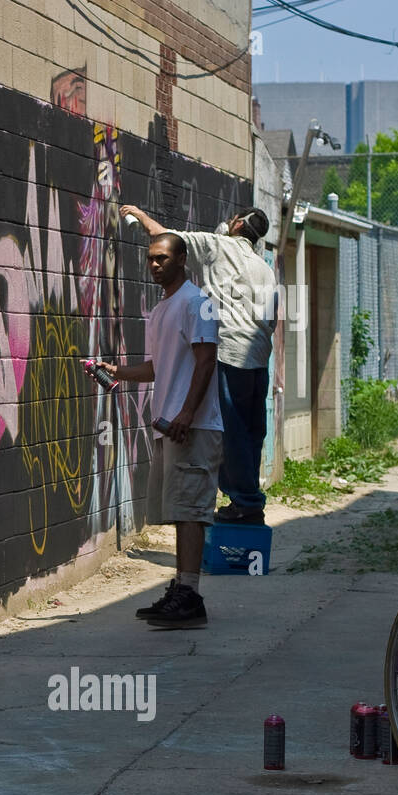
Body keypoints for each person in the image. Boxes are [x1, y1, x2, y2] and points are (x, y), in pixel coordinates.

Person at [91, 232, 222, 629]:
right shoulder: (164, 308)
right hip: (171, 425)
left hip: (193, 426)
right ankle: (183, 591)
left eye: (162, 258)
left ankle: (191, 597)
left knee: (193, 511)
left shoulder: (200, 303)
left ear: (182, 258)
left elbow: (206, 361)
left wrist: (186, 413)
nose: (154, 265)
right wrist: (119, 372)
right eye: (150, 259)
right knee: (181, 511)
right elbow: (156, 366)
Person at [119, 204, 276, 524]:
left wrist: (136, 213)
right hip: (258, 361)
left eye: (233, 218)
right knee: (250, 434)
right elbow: (272, 319)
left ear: (237, 224)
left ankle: (244, 503)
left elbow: (165, 238)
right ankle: (246, 501)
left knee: (228, 434)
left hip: (230, 357)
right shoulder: (265, 268)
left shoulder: (218, 246)